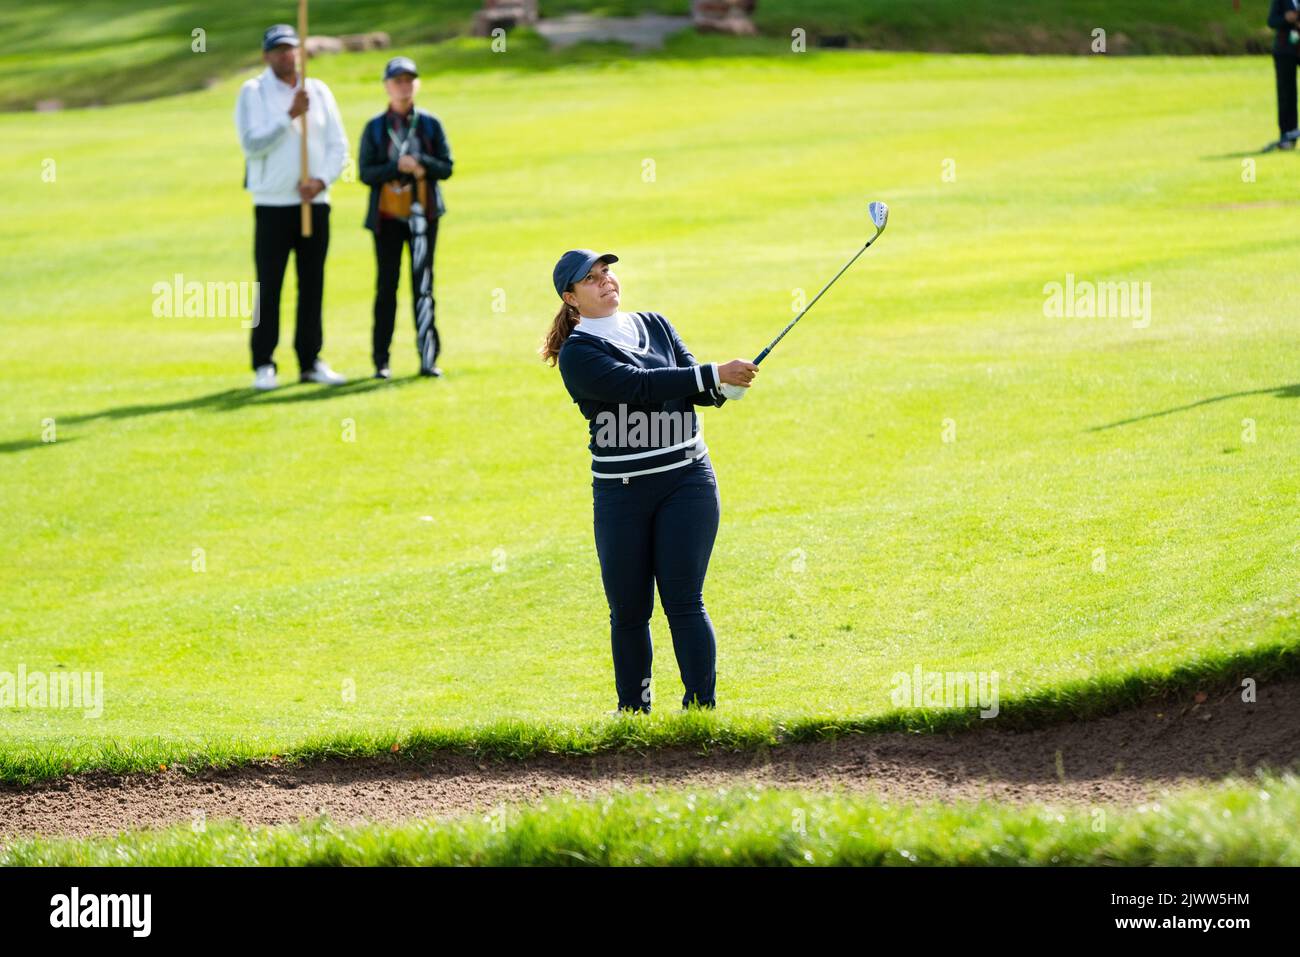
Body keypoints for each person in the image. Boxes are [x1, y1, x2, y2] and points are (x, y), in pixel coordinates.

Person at [541, 250, 758, 713]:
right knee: (629, 612)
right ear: (570, 297)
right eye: (592, 279)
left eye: (607, 273)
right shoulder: (578, 352)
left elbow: (693, 387)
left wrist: (724, 386)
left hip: (687, 482)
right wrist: (712, 373)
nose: (606, 282)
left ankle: (700, 712)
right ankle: (634, 715)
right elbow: (638, 386)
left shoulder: (656, 324)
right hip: (622, 496)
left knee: (684, 601)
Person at [234, 24, 349, 390]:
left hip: (313, 201)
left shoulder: (318, 90)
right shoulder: (253, 92)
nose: (286, 55)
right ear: (267, 55)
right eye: (278, 50)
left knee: (312, 284)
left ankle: (310, 360)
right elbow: (252, 144)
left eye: (291, 48)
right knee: (270, 284)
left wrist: (321, 181)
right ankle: (263, 363)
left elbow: (338, 145)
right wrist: (289, 116)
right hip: (273, 203)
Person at [358, 56, 454, 379]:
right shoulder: (375, 128)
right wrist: (395, 168)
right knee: (386, 287)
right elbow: (365, 173)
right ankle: (381, 362)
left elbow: (447, 166)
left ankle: (428, 359)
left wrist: (421, 163)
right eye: (397, 80)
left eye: (409, 79)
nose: (403, 85)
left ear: (416, 83)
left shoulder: (430, 124)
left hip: (424, 216)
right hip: (387, 217)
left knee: (423, 285)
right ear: (386, 85)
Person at [1269, 0, 1300, 148]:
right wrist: (1286, 19)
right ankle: (1287, 136)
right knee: (1286, 95)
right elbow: (1272, 21)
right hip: (1285, 50)